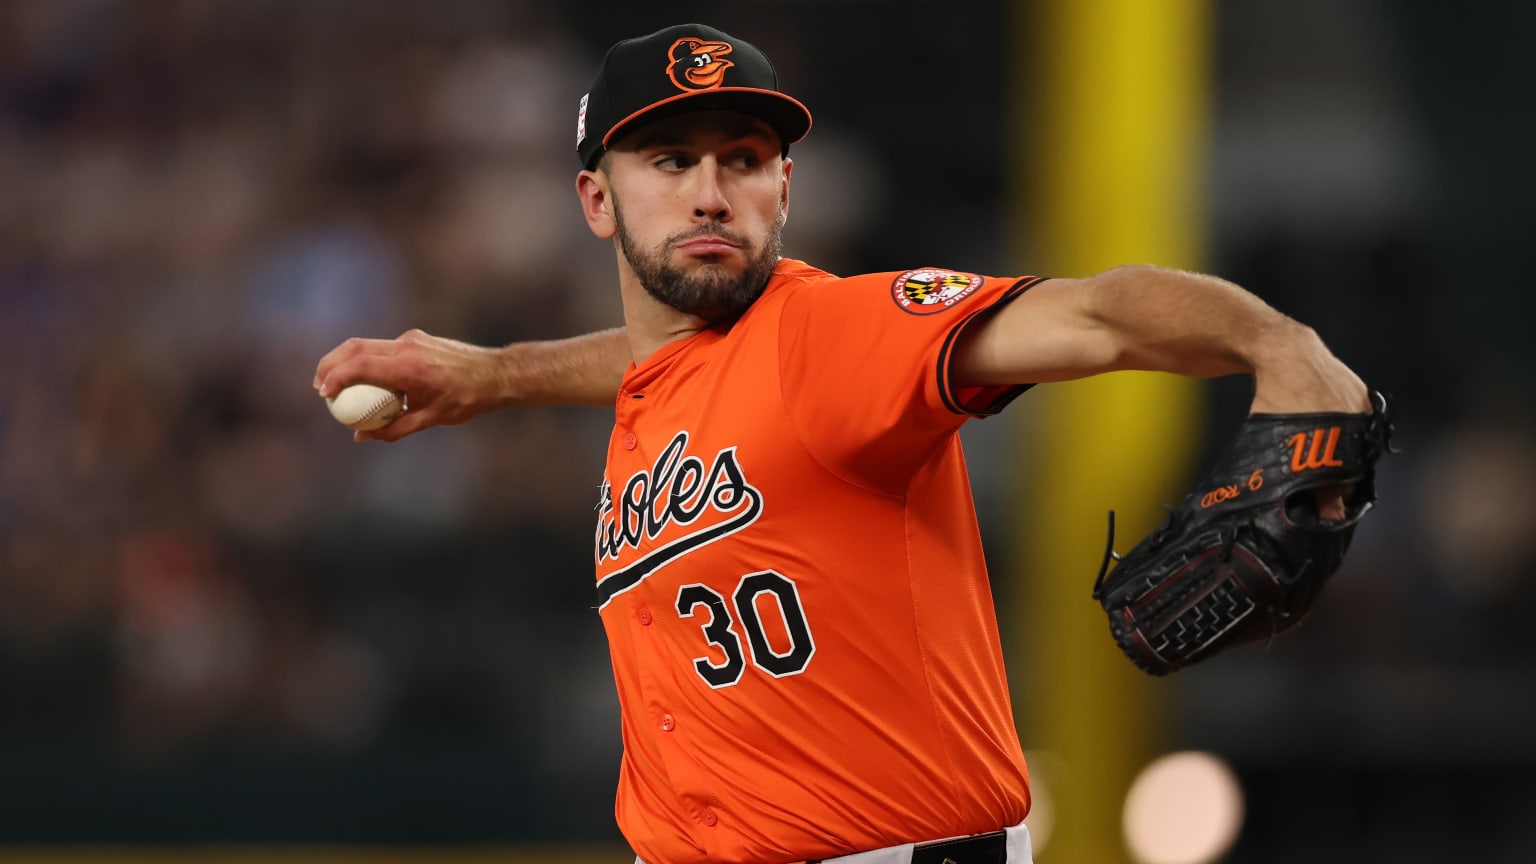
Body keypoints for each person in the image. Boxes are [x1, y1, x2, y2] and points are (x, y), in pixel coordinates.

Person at [314, 23, 1371, 864]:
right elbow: (659, 362)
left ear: (787, 188)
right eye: (669, 159)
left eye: (746, 157)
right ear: (598, 198)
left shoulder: (841, 335)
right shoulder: (677, 377)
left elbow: (1100, 315)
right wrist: (495, 376)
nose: (711, 190)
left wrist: (1280, 345)